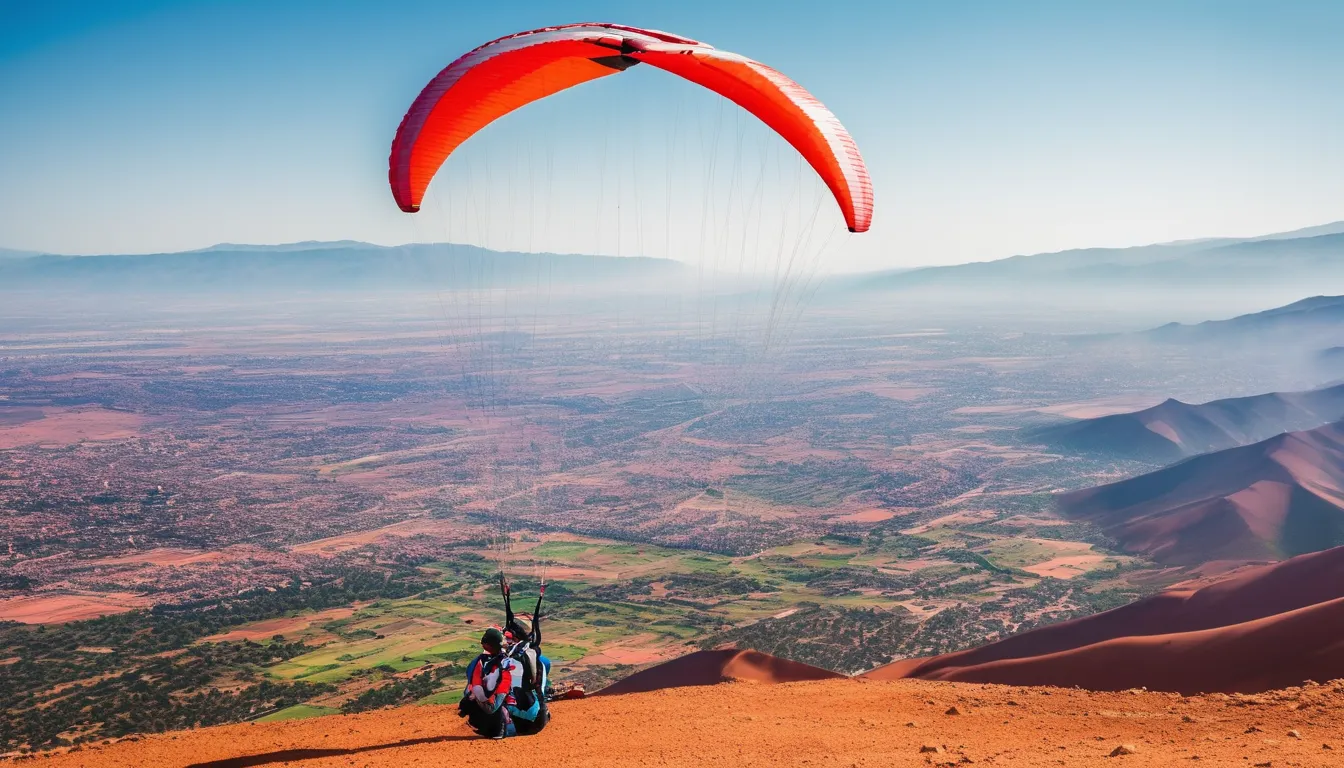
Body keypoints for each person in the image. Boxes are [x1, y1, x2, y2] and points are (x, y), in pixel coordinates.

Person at [458, 627, 516, 739]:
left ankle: (495, 729)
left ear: (488, 645)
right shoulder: (501, 659)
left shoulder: (495, 662)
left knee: (472, 700)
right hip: (504, 700)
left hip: (499, 704)